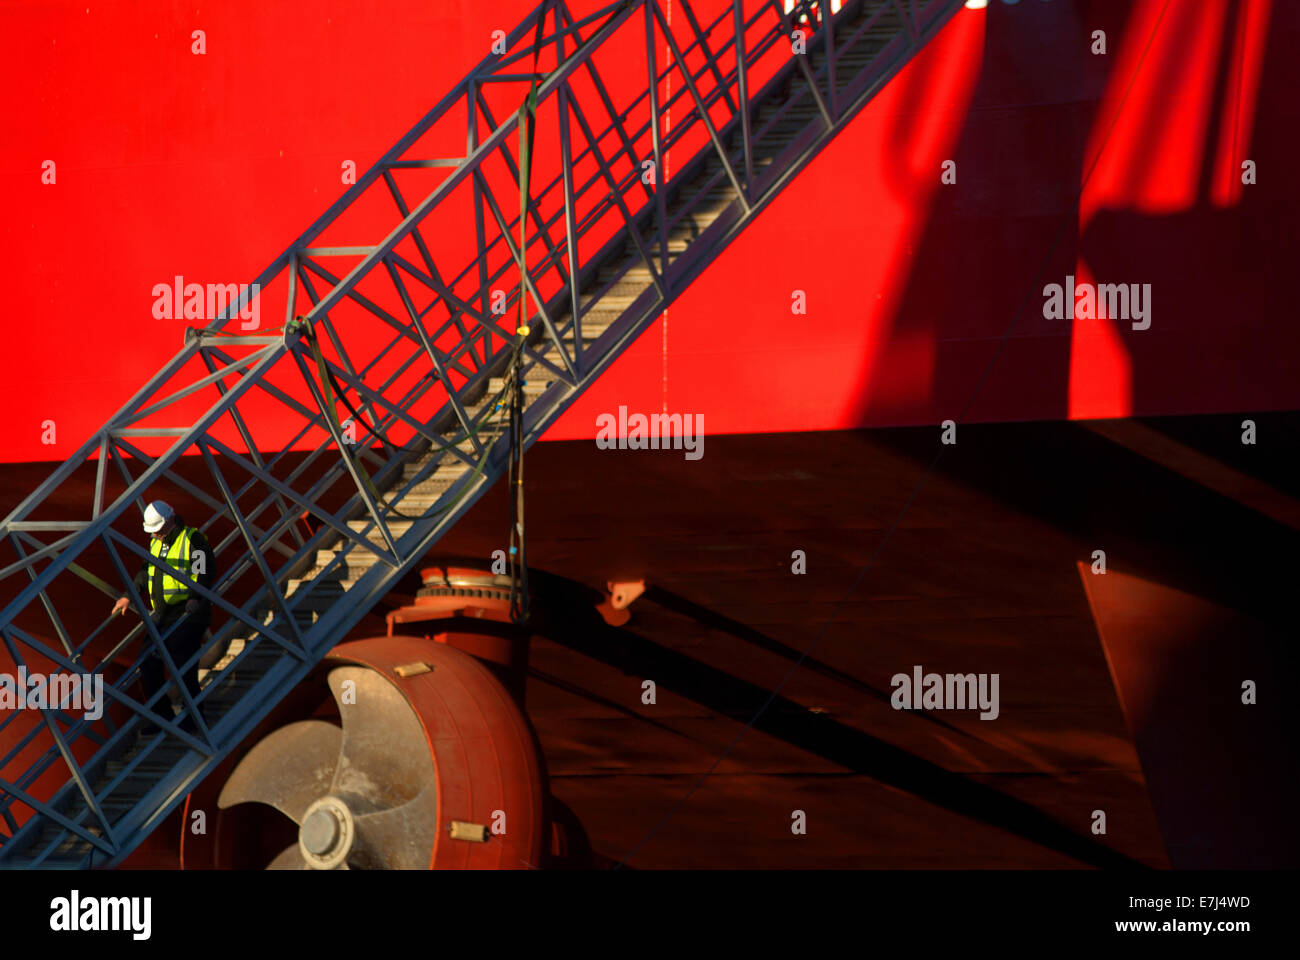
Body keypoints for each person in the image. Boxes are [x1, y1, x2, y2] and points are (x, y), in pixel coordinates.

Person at [111, 500, 216, 733]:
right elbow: (145, 571)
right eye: (152, 531)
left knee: (182, 667)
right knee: (147, 663)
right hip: (161, 616)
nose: (155, 534)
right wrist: (129, 595)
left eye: (157, 529)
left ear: (170, 520)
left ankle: (194, 721)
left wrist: (195, 598)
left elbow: (204, 570)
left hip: (187, 614)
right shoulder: (154, 543)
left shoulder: (192, 539)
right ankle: (162, 718)